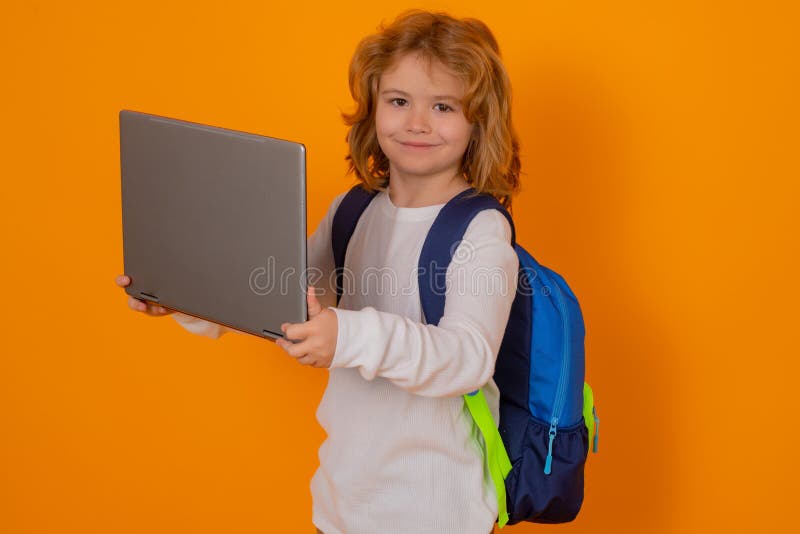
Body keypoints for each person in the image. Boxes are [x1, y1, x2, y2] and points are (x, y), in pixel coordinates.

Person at [116, 10, 521, 533]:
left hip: (435, 513)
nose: (417, 122)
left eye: (443, 106)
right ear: (373, 109)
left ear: (478, 120)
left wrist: (348, 334)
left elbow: (466, 358)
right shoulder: (353, 212)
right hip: (341, 501)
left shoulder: (480, 230)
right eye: (399, 101)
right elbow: (280, 301)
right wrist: (182, 295)